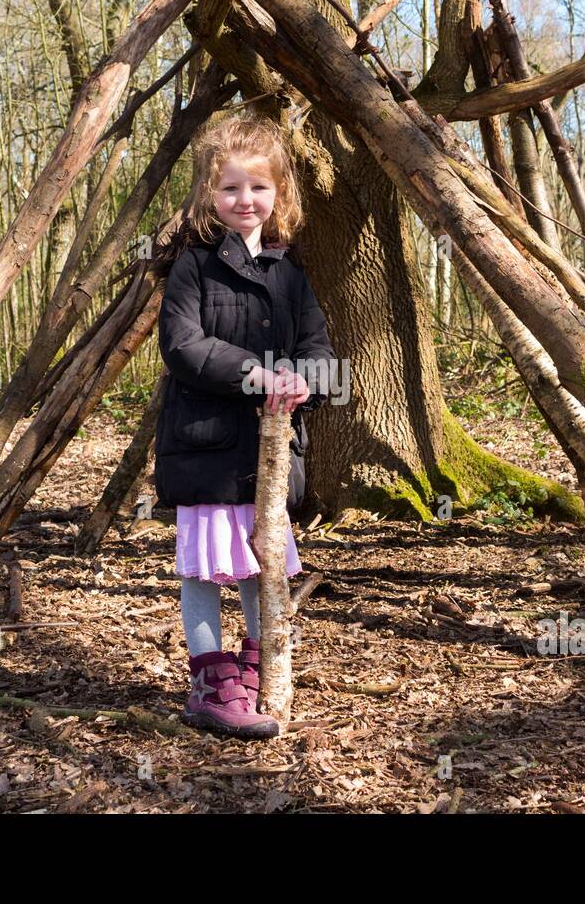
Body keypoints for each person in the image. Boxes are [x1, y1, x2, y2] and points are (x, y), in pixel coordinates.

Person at [154, 110, 336, 739]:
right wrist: (257, 374)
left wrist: (305, 381)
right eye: (231, 188)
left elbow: (317, 347)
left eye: (258, 187)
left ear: (278, 194)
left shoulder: (291, 273)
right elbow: (182, 345)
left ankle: (261, 669)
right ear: (211, 194)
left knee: (266, 562)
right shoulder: (193, 267)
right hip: (204, 447)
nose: (245, 199)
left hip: (271, 453)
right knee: (207, 564)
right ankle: (211, 680)